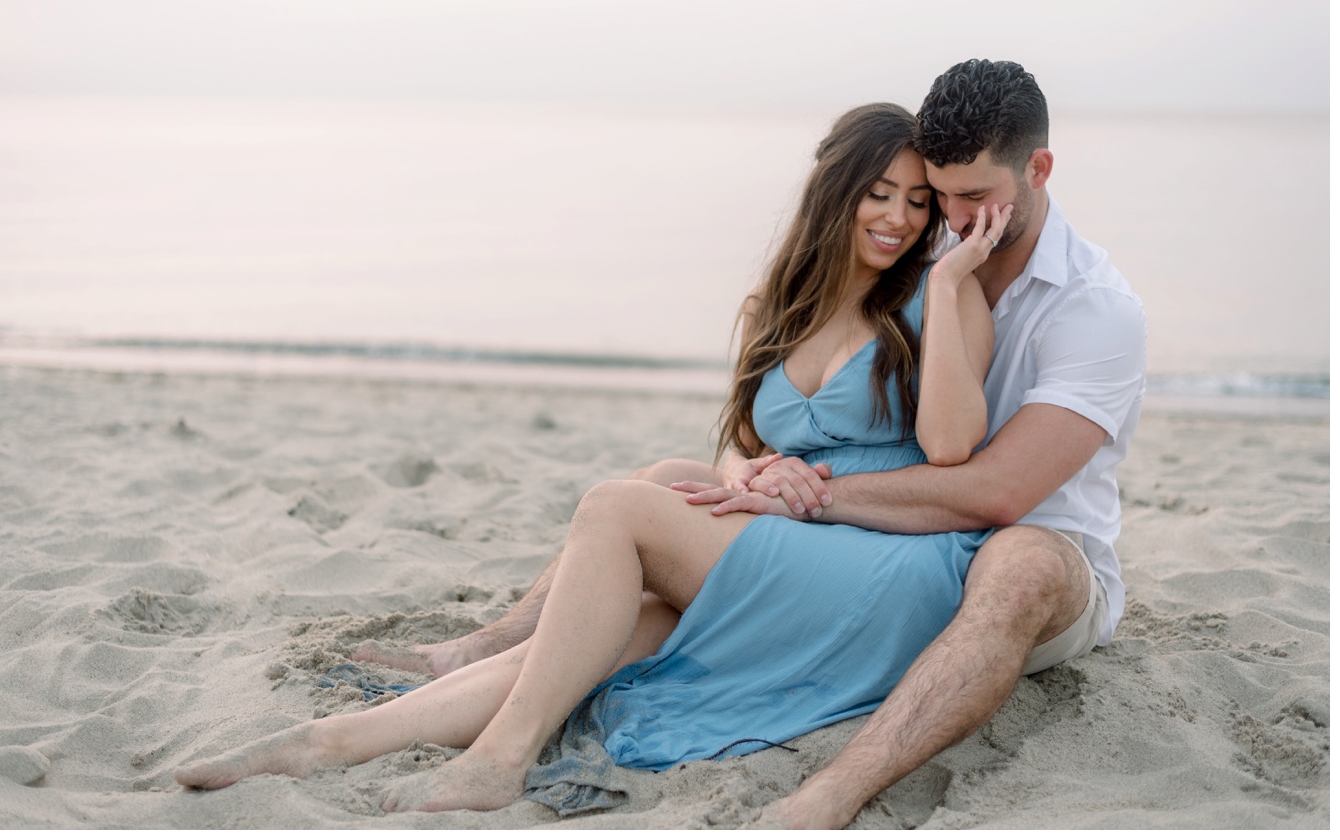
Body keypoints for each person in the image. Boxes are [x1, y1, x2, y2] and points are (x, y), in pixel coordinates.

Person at [332, 59, 1148, 829]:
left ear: (1038, 171)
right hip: (897, 525)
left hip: (1033, 554)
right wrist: (752, 472)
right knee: (668, 481)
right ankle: (485, 649)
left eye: (971, 196)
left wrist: (813, 493)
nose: (948, 219)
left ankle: (834, 790)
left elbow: (996, 492)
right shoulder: (930, 249)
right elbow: (781, 422)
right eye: (941, 197)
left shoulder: (1093, 309)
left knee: (1022, 559)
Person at [173, 101, 1012, 813]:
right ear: (834, 193)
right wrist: (741, 475)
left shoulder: (938, 296)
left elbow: (949, 447)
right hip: (802, 536)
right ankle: (334, 740)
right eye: (876, 194)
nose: (897, 219)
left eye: (914, 203)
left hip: (894, 559)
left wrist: (944, 284)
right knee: (637, 586)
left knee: (619, 505)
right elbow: (745, 442)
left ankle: (504, 753)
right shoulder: (776, 302)